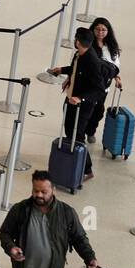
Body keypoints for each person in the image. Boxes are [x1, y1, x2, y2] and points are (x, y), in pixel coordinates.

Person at [47, 27, 110, 179]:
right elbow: (75, 69)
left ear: (77, 41)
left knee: (77, 136)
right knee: (70, 132)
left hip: (82, 106)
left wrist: (80, 98)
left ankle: (87, 170)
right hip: (71, 100)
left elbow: (99, 89)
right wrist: (61, 70)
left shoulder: (92, 61)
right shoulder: (79, 55)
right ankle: (74, 163)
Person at [85, 17, 123, 142]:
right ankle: (80, 132)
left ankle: (91, 131)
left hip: (103, 87)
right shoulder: (87, 44)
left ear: (108, 31)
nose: (100, 32)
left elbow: (115, 65)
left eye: (103, 30)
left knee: (98, 111)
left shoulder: (112, 47)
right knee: (86, 109)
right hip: (88, 83)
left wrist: (116, 78)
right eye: (97, 29)